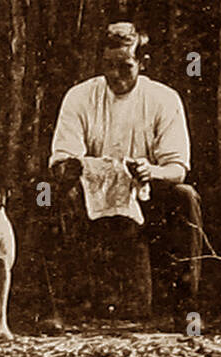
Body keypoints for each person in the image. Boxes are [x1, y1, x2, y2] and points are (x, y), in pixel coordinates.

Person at [48, 22, 201, 326]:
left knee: (185, 197)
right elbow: (62, 159)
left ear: (143, 64)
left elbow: (177, 169)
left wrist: (150, 170)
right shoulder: (80, 97)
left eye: (125, 66)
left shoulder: (163, 99)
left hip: (144, 195)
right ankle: (63, 310)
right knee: (49, 196)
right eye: (108, 66)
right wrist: (89, 171)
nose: (115, 75)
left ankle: (186, 309)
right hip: (93, 195)